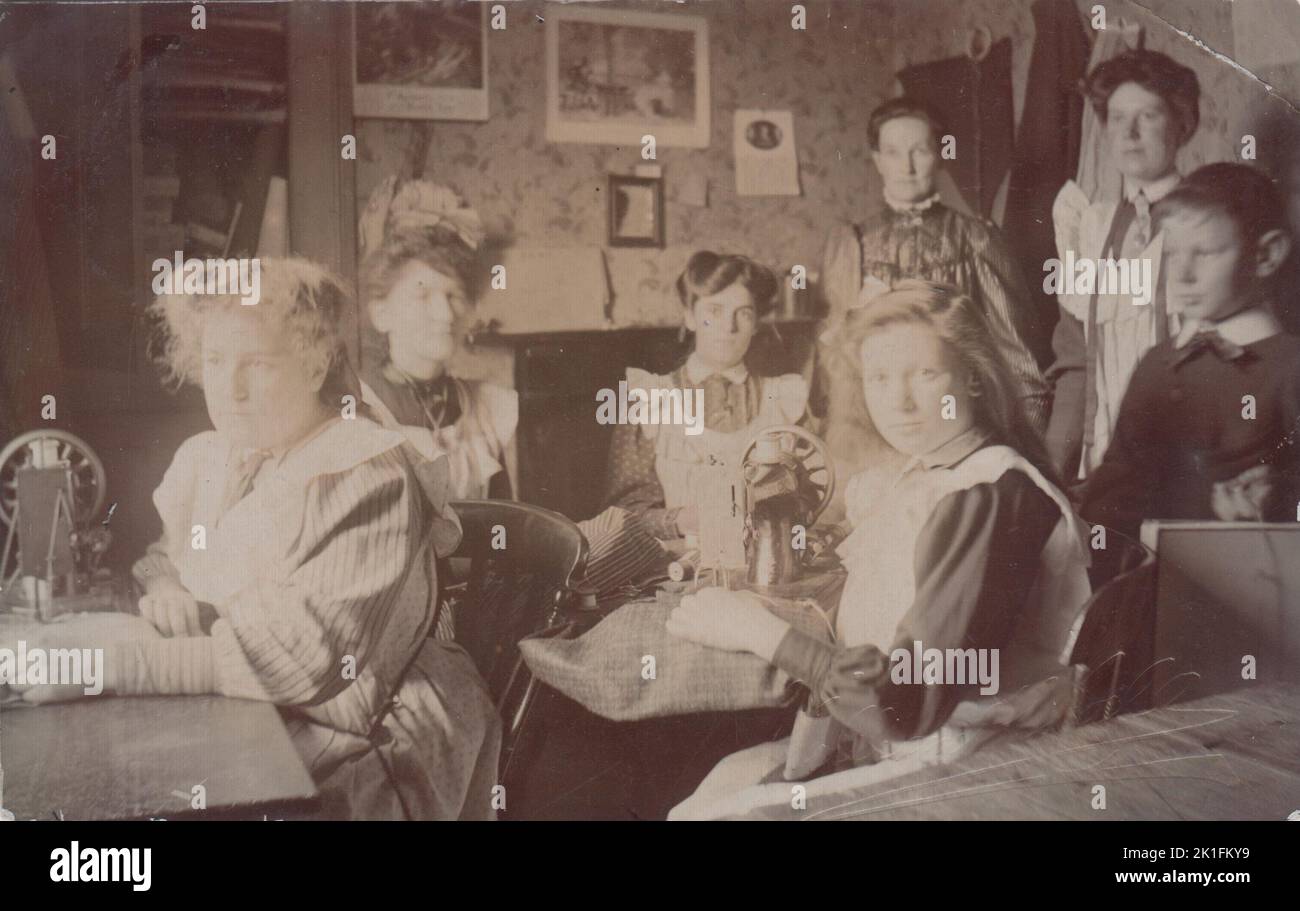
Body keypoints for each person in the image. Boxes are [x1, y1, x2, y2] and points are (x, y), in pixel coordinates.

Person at [15, 259, 502, 820]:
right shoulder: (221, 455)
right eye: (217, 361)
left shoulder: (363, 472)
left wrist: (105, 669)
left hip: (367, 736)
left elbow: (299, 662)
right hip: (257, 709)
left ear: (316, 366)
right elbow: (165, 556)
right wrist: (170, 585)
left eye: (260, 364)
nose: (232, 389)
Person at [666, 281, 1091, 820]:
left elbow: (909, 704)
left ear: (975, 378)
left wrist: (758, 631)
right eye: (881, 378)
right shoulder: (944, 472)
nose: (901, 401)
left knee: (704, 817)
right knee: (718, 784)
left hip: (967, 771)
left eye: (925, 374)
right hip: (922, 742)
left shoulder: (988, 497)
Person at [817, 97, 1048, 478]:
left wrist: (1017, 463)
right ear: (877, 160)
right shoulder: (852, 243)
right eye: (892, 152)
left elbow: (1022, 367)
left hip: (962, 443)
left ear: (940, 155)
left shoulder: (976, 240)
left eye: (920, 151)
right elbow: (838, 365)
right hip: (873, 446)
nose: (906, 167)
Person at [1081, 163, 1300, 538]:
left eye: (1206, 253)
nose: (1182, 275)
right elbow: (1113, 493)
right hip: (1152, 577)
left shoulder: (1288, 367)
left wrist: (1278, 497)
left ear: (1266, 256)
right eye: (1172, 254)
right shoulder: (1157, 364)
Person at [1045, 50, 1201, 481]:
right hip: (1104, 460)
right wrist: (1054, 466)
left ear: (1181, 125)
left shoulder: (1209, 220)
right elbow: (1076, 360)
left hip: (1189, 455)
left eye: (1148, 116)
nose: (1130, 134)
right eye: (1117, 119)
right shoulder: (1090, 226)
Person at [602, 251, 809, 539]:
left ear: (756, 325)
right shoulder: (650, 399)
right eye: (714, 311)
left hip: (766, 569)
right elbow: (623, 517)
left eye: (744, 313)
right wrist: (683, 521)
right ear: (690, 317)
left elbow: (809, 498)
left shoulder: (786, 398)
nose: (729, 327)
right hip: (678, 572)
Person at [357, 176, 518, 500]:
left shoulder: (484, 410)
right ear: (382, 313)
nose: (445, 314)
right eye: (423, 295)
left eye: (454, 295)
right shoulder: (361, 409)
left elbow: (504, 527)